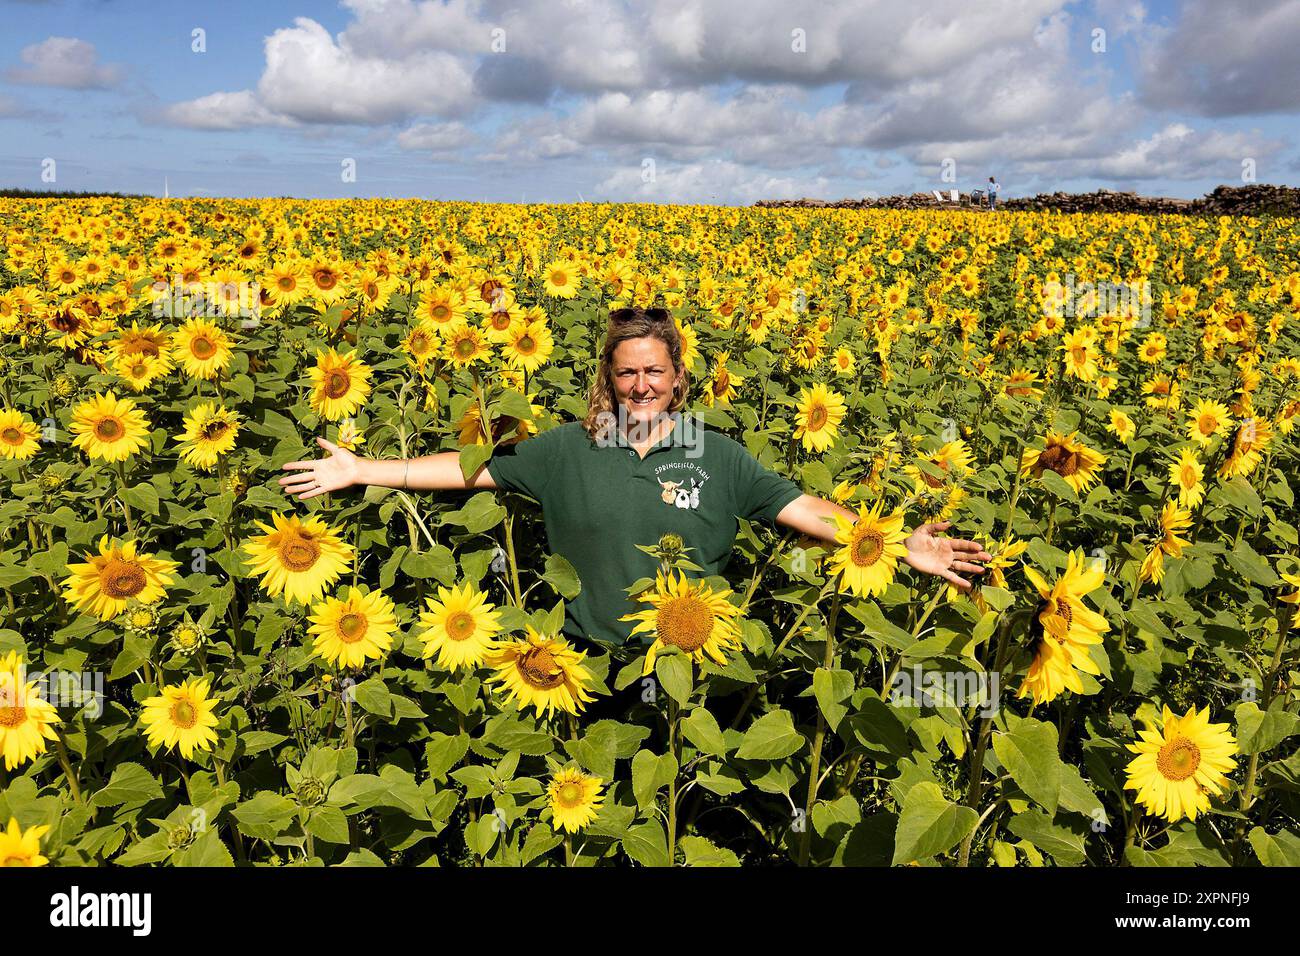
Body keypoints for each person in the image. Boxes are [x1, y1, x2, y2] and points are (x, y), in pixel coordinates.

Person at [279, 307, 992, 650]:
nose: (642, 385)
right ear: (609, 380)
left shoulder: (718, 454)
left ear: (678, 380)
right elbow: (472, 473)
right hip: (579, 656)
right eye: (628, 372)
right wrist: (362, 469)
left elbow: (801, 507)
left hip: (686, 659)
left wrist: (896, 547)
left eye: (655, 371)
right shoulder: (566, 448)